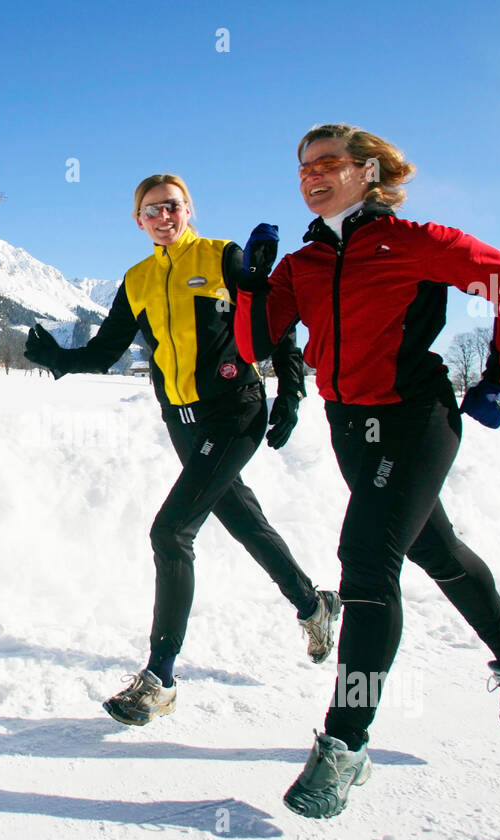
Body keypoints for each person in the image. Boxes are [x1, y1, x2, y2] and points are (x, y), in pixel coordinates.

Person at [234, 124, 500, 819]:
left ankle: (346, 745)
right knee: (432, 549)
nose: (311, 176)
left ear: (368, 171)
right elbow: (257, 343)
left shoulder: (415, 241)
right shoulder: (301, 265)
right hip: (349, 426)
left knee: (365, 561)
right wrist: (251, 285)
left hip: (416, 419)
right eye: (302, 168)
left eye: (327, 163)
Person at [24, 173, 339, 726]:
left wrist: (291, 392)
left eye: (172, 206)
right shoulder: (138, 279)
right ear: (138, 220)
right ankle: (313, 604)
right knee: (242, 519)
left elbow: (272, 319)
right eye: (151, 210)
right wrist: (59, 358)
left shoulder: (222, 257)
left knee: (171, 531)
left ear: (189, 209)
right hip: (183, 422)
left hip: (235, 409)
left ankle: (160, 679)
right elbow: (104, 352)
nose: (163, 217)